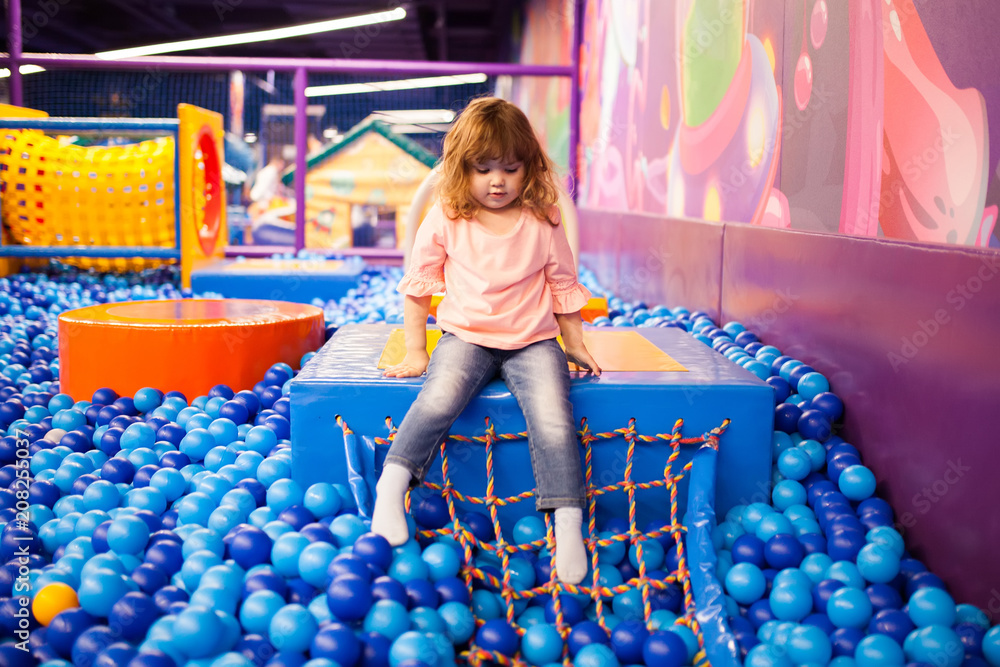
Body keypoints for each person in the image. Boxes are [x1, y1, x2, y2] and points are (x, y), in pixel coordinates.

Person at [370, 97, 601, 585]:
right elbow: (419, 287)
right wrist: (417, 351)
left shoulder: (543, 220)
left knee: (554, 420)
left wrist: (574, 342)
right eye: (483, 169)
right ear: (461, 168)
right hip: (466, 337)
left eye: (510, 169)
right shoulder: (448, 216)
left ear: (529, 168)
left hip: (533, 341)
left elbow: (563, 288)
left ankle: (567, 521)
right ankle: (391, 488)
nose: (497, 181)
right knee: (438, 397)